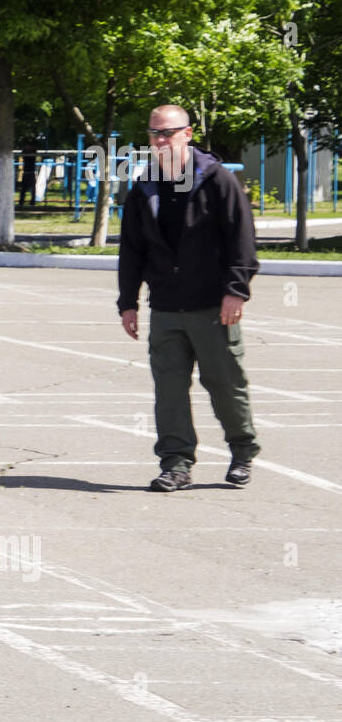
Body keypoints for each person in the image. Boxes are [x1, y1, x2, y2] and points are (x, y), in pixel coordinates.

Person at [117, 104, 260, 492]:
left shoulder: (217, 180)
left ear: (188, 134)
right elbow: (132, 250)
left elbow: (242, 240)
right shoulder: (144, 186)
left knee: (225, 384)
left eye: (168, 133)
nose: (160, 140)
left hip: (213, 306)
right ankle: (176, 464)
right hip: (165, 307)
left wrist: (235, 291)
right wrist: (127, 302)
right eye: (154, 134)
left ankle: (243, 452)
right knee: (169, 392)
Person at [18, 138, 38, 208]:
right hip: (26, 172)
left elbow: (34, 153)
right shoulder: (24, 151)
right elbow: (22, 154)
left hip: (32, 172)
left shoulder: (34, 151)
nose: (28, 146)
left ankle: (32, 202)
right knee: (23, 189)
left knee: (33, 189)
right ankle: (21, 202)